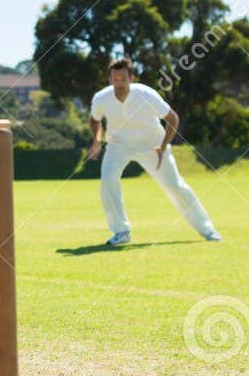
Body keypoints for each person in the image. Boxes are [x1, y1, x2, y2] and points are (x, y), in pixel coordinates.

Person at [88, 57, 221, 247]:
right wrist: (97, 139)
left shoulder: (146, 94)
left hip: (152, 145)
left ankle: (208, 229)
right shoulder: (101, 98)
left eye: (123, 79)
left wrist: (164, 145)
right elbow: (95, 119)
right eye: (115, 79)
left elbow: (173, 118)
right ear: (109, 79)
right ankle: (121, 231)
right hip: (119, 145)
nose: (119, 83)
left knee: (175, 186)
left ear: (131, 79)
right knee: (108, 179)